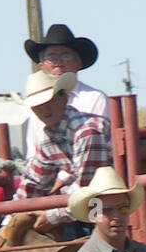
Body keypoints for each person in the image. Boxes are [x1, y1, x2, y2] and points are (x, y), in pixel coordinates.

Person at [0, 70, 111, 249]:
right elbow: (32, 185)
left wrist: (52, 216)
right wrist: (7, 224)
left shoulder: (87, 132)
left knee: (81, 241)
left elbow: (88, 191)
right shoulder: (49, 139)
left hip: (110, 208)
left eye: (49, 101)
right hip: (90, 209)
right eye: (37, 105)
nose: (43, 109)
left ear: (64, 98)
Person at [22, 24, 109, 175]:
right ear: (41, 66)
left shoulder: (95, 98)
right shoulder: (35, 102)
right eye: (52, 57)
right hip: (47, 177)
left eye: (65, 55)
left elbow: (96, 147)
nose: (58, 62)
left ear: (78, 63)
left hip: (90, 175)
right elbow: (33, 155)